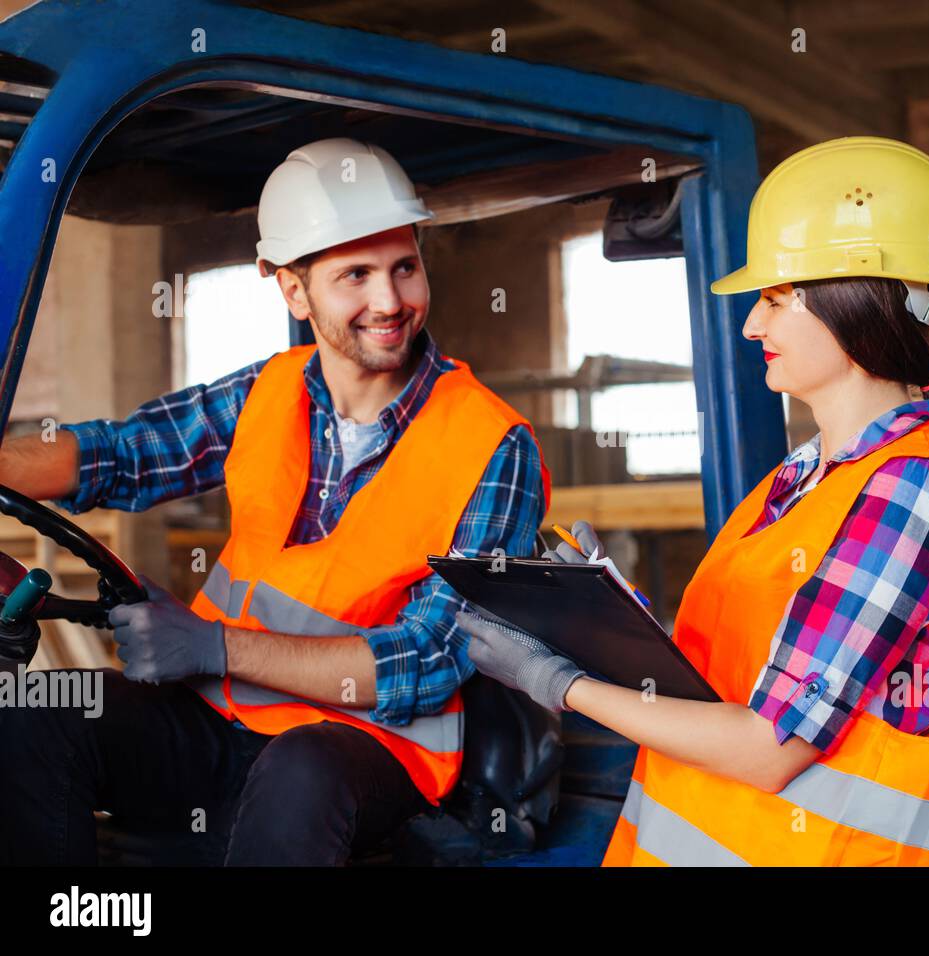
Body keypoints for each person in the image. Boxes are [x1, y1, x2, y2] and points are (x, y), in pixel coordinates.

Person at [459, 136, 929, 866]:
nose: (753, 324)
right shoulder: (807, 477)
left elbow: (770, 747)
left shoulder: (908, 493)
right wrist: (603, 614)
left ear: (856, 302)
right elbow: (739, 673)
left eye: (776, 299)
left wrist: (558, 683)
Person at [0, 138, 549, 865]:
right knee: (34, 713)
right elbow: (122, 453)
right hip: (218, 712)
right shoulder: (268, 390)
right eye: (355, 275)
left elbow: (428, 660)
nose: (390, 302)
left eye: (404, 267)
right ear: (292, 290)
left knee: (303, 768)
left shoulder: (494, 445)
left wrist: (213, 645)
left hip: (369, 745)